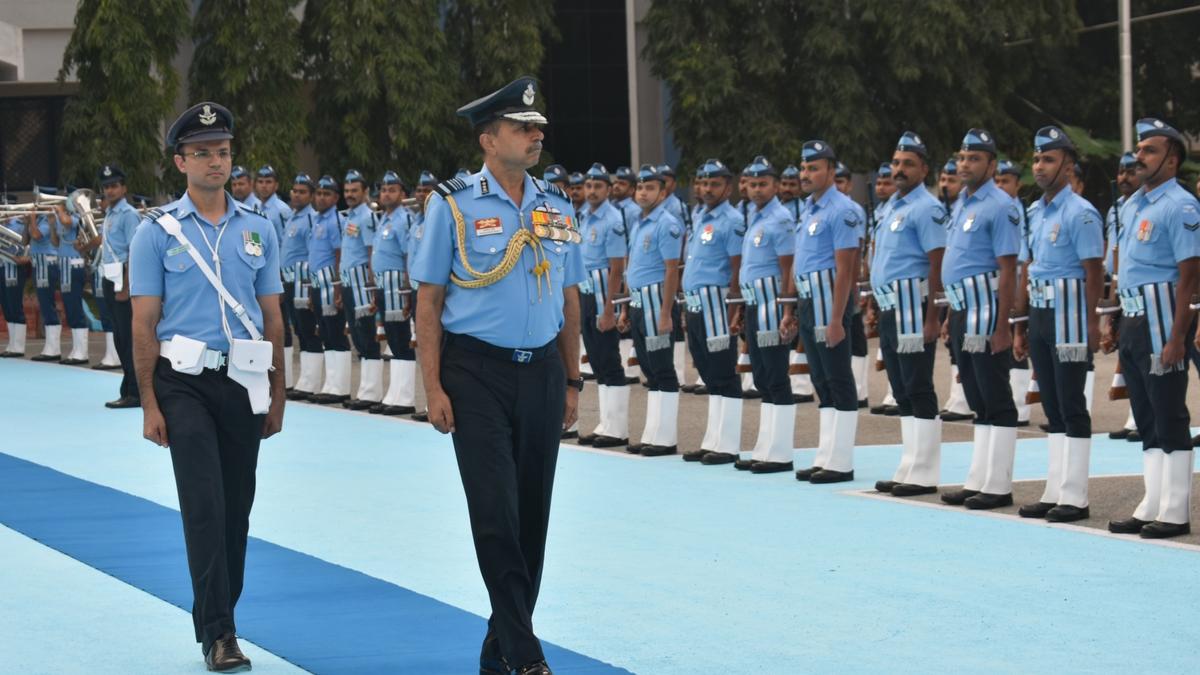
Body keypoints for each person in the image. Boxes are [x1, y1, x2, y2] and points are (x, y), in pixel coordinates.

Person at [411, 76, 582, 675]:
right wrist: (432, 387)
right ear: (489, 138)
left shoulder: (556, 204)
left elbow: (569, 297)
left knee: (533, 513)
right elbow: (428, 303)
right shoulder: (452, 206)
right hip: (474, 372)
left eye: (538, 128)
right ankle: (526, 654)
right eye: (521, 128)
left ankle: (498, 649)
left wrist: (571, 378)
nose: (535, 136)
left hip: (539, 373)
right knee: (495, 511)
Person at [129, 101, 284, 672]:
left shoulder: (259, 230)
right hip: (182, 381)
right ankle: (219, 632)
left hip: (244, 381)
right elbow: (143, 324)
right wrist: (148, 401)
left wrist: (279, 392)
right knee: (204, 503)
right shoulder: (155, 233)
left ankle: (222, 614)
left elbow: (272, 318)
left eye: (222, 151)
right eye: (202, 153)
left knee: (236, 509)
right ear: (180, 161)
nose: (215, 161)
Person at [1106, 118, 1200, 539]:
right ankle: (1152, 502)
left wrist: (1178, 336)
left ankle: (1175, 510)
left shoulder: (1180, 206)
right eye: (1139, 150)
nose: (1139, 157)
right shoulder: (1133, 205)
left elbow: (1190, 275)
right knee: (1144, 415)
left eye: (1149, 151)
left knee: (1168, 412)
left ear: (1172, 158)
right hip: (1133, 317)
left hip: (1163, 314)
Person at [1010, 126, 1104, 523]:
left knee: (1071, 403)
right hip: (1043, 315)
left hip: (1070, 316)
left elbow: (1094, 271)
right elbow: (1028, 268)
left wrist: (1092, 323)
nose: (1040, 167)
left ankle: (1076, 495)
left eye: (1048, 159)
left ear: (1068, 165)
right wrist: (1021, 325)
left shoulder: (1080, 212)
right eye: (1036, 159)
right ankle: (1055, 488)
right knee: (1051, 405)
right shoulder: (1034, 212)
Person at [938, 129, 1022, 510]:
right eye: (961, 158)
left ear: (991, 164)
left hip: (987, 311)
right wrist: (950, 316)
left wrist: (1004, 324)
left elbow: (1008, 270)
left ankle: (999, 484)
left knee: (995, 395)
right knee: (975, 395)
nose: (965, 165)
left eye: (974, 158)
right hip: (961, 310)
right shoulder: (961, 203)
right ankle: (979, 479)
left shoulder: (1001, 205)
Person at [869, 132, 947, 497]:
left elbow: (937, 265)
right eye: (897, 163)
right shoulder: (890, 207)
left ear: (923, 169)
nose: (899, 170)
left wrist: (934, 316)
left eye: (908, 164)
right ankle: (909, 465)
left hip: (915, 308)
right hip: (890, 306)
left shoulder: (927, 208)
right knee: (900, 388)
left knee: (917, 385)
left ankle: (925, 470)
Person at [784, 141, 864, 483]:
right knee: (821, 380)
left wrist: (836, 319)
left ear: (831, 172)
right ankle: (826, 455)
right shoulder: (809, 209)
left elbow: (846, 270)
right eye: (804, 168)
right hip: (807, 301)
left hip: (829, 303)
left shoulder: (842, 210)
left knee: (838, 378)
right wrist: (790, 310)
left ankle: (841, 461)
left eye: (814, 168)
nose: (806, 174)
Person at [732, 155, 796, 473]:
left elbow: (788, 270)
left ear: (774, 185)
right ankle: (766, 446)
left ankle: (780, 452)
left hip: (773, 304)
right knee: (761, 377)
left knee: (775, 375)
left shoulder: (780, 219)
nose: (757, 189)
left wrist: (788, 310)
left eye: (763, 184)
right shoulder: (756, 217)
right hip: (756, 303)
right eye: (752, 184)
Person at [681, 159, 745, 464]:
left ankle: (728, 444)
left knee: (723, 370)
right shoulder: (698, 214)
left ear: (728, 187)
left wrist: (735, 310)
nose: (707, 189)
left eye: (715, 184)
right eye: (704, 183)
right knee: (706, 369)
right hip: (695, 302)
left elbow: (737, 266)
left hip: (717, 303)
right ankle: (713, 439)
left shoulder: (731, 219)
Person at [619, 164, 683, 456]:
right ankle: (652, 433)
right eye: (640, 188)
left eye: (650, 188)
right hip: (638, 303)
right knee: (648, 369)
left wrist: (666, 312)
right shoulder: (638, 222)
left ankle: (666, 438)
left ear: (663, 191)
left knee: (662, 368)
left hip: (657, 302)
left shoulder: (666, 223)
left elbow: (672, 271)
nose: (643, 193)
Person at [575, 163, 630, 448]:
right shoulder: (582, 216)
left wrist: (610, 308)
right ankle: (606, 423)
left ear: (608, 190)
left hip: (601, 295)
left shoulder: (613, 220)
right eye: (589, 186)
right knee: (596, 361)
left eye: (598, 186)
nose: (592, 191)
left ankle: (618, 427)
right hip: (585, 293)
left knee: (609, 360)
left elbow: (616, 268)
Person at [370, 170, 418, 415]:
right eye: (384, 189)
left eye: (392, 189)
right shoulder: (383, 218)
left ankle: (405, 396)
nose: (386, 193)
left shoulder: (404, 218)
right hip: (383, 285)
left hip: (397, 283)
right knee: (392, 338)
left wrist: (408, 288)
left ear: (403, 194)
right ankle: (395, 392)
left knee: (401, 339)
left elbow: (408, 254)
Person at [1104, 152, 1143, 443]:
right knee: (1130, 360)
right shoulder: (1117, 209)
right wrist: (1111, 302)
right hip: (1124, 290)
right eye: (1120, 172)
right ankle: (1136, 418)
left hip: (1152, 295)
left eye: (1131, 171)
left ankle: (1145, 419)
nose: (1123, 178)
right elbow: (1115, 259)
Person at [339, 169, 383, 410]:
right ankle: (365, 389)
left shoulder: (367, 217)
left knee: (366, 334)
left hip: (361, 280)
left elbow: (370, 252)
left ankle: (372, 392)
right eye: (347, 191)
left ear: (365, 192)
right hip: (348, 280)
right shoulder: (349, 216)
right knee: (357, 335)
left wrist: (371, 284)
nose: (350, 195)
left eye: (354, 191)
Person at [995, 159, 1035, 427]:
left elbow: (1025, 259)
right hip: (999, 282)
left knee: (1019, 343)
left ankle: (1022, 405)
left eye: (1005, 181)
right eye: (996, 181)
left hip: (1021, 281)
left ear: (1018, 184)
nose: (1000, 186)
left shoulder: (1026, 214)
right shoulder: (995, 211)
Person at [308, 175, 352, 404]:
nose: (321, 198)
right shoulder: (317, 219)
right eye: (319, 194)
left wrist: (337, 288)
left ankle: (340, 386)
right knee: (325, 332)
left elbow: (338, 254)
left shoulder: (335, 220)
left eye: (327, 194)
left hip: (329, 282)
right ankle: (331, 382)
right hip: (317, 281)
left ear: (335, 198)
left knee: (335, 332)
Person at [282, 173, 324, 400]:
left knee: (308, 329)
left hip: (303, 280)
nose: (296, 195)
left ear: (310, 195)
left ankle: (312, 382)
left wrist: (309, 286)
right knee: (298, 328)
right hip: (289, 280)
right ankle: (305, 379)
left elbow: (313, 253)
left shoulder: (310, 218)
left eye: (302, 192)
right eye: (294, 191)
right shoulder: (293, 216)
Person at [21, 191, 66, 362]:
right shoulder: (40, 219)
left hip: (47, 264)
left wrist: (32, 219)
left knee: (47, 304)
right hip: (39, 264)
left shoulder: (49, 219)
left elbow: (37, 235)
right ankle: (50, 345)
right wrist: (28, 222)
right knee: (44, 303)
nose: (37, 205)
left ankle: (53, 347)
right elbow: (26, 240)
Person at [57, 194, 91, 365]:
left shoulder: (78, 217)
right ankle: (77, 349)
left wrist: (59, 212)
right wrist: (50, 220)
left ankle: (82, 352)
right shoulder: (61, 218)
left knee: (75, 307)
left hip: (74, 266)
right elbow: (55, 242)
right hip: (64, 266)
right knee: (70, 308)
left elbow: (67, 222)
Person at [1, 210, 29, 357]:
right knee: (6, 307)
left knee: (15, 305)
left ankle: (19, 346)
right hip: (2, 267)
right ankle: (12, 344)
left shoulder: (19, 224)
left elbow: (23, 242)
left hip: (14, 268)